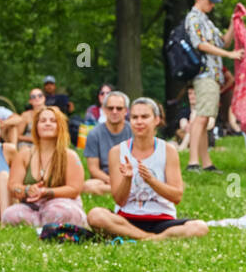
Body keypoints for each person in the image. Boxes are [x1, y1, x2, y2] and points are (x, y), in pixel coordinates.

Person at [87, 98, 208, 240]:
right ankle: (151, 238)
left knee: (200, 227)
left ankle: (144, 238)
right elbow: (119, 201)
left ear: (156, 120)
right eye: (134, 117)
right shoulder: (117, 152)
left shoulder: (168, 150)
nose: (139, 122)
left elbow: (176, 196)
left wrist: (151, 181)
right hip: (127, 219)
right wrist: (127, 179)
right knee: (95, 215)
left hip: (162, 219)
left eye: (144, 117)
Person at [184, 0, 240, 173]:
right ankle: (193, 162)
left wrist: (234, 22)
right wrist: (229, 56)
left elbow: (223, 42)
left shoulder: (206, 20)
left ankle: (206, 163)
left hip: (213, 75)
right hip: (204, 72)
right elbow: (200, 44)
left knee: (206, 117)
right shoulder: (193, 18)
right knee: (201, 117)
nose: (212, 6)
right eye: (210, 2)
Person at [1, 106, 87, 228]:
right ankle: (42, 226)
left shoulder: (69, 155)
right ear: (36, 127)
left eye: (53, 121)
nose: (47, 124)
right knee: (10, 215)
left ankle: (46, 225)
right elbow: (13, 186)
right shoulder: (24, 154)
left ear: (60, 127)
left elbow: (75, 189)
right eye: (43, 121)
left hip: (61, 204)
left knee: (56, 212)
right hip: (32, 207)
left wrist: (47, 192)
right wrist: (27, 190)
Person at [82, 90, 132, 194]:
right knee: (86, 186)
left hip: (129, 176)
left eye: (119, 108)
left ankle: (121, 189)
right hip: (104, 179)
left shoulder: (133, 131)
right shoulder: (94, 134)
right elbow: (93, 169)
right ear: (104, 110)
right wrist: (111, 180)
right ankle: (123, 190)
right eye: (110, 108)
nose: (114, 111)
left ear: (126, 111)